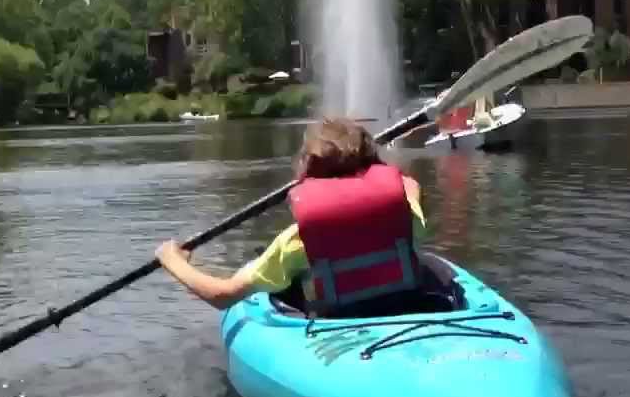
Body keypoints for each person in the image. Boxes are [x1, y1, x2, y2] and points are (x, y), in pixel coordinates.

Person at [155, 117, 427, 316]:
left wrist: (173, 261)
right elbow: (411, 189)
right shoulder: (407, 216)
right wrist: (402, 188)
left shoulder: (296, 243)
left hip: (336, 327)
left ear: (307, 169)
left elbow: (223, 296)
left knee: (282, 284)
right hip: (402, 313)